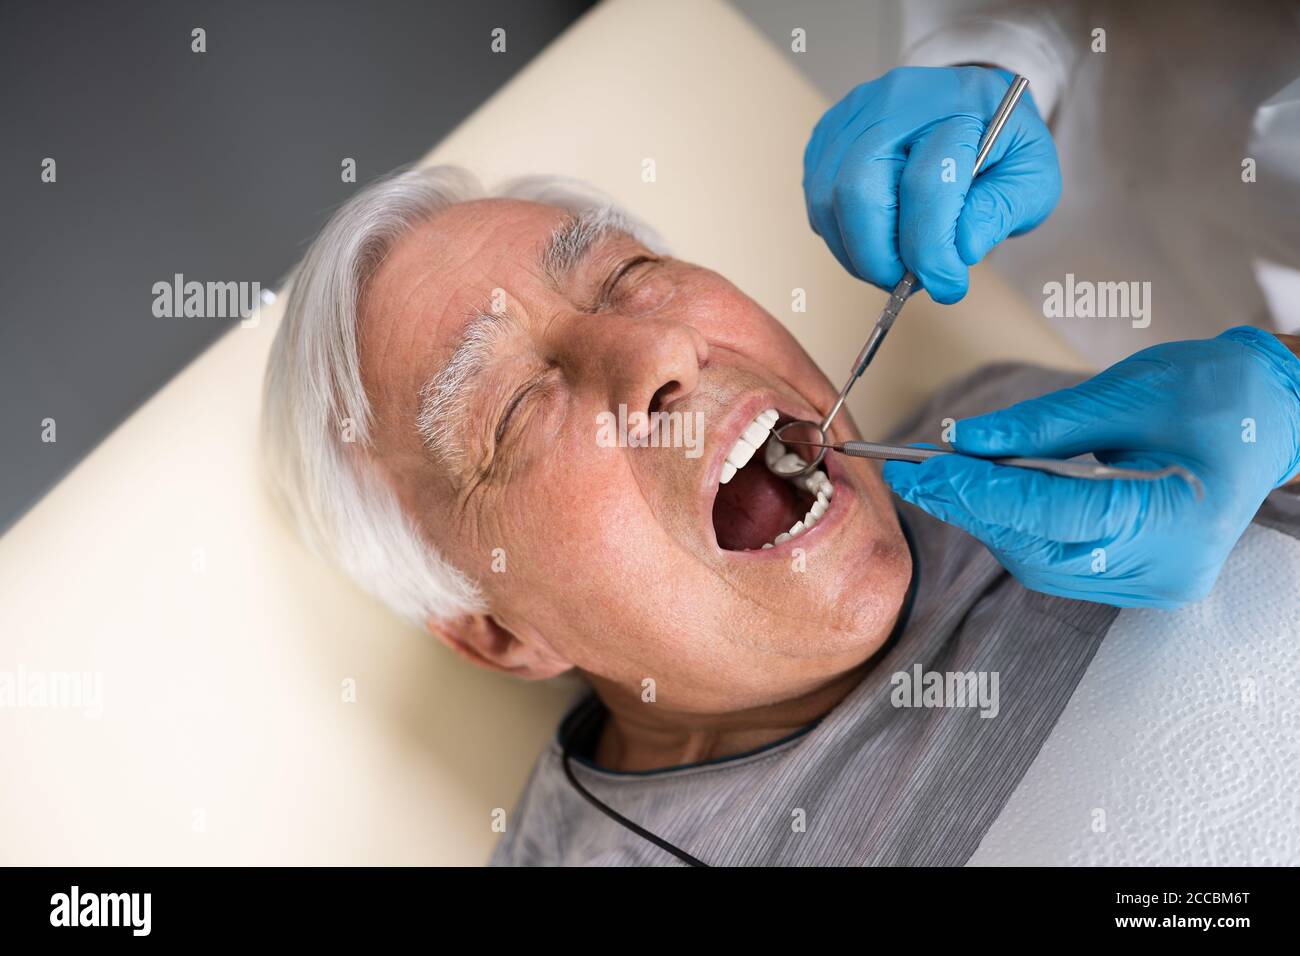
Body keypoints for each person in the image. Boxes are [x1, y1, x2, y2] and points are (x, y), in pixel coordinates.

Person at [260, 166, 1300, 865]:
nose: (656, 353)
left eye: (627, 275)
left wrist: (1286, 389)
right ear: (497, 630)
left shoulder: (995, 414)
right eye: (516, 408)